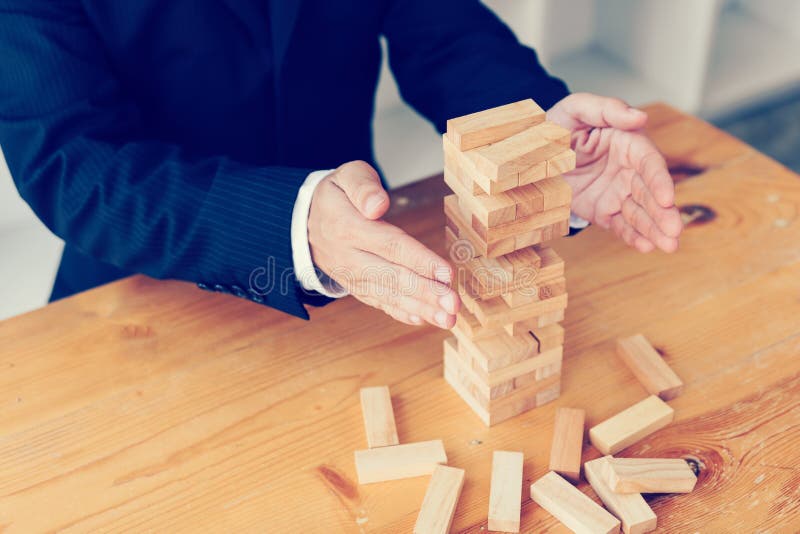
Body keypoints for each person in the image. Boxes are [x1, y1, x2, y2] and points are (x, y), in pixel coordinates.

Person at [0, 1, 682, 330]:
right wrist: (294, 226)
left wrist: (531, 140)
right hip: (141, 295)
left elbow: (440, 28)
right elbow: (71, 161)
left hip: (367, 277)